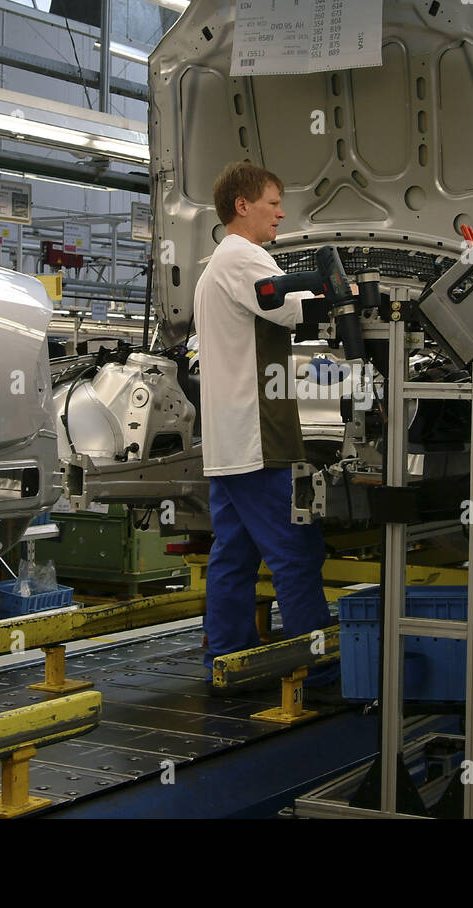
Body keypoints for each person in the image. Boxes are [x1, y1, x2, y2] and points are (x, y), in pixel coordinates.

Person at [193, 161, 337, 690]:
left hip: (231, 442)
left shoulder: (219, 263)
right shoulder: (242, 257)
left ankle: (227, 659)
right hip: (256, 440)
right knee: (296, 551)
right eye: (273, 203)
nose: (282, 212)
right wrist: (327, 289)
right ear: (242, 205)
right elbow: (286, 308)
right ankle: (316, 664)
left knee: (233, 555)